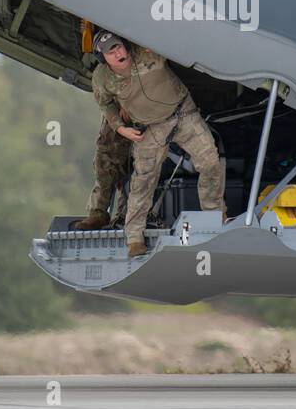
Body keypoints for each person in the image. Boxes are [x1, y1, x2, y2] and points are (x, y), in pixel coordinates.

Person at [90, 31, 224, 257]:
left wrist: (158, 42)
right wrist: (121, 128)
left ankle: (215, 214)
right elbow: (105, 105)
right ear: (103, 58)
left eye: (119, 46)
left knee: (210, 162)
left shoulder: (146, 51)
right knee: (143, 181)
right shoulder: (103, 78)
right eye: (111, 51)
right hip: (150, 128)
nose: (118, 52)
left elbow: (179, 42)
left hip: (183, 113)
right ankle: (134, 238)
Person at [73, 113, 131, 231]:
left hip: (154, 108)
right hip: (117, 109)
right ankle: (99, 213)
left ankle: (126, 214)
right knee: (106, 161)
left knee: (140, 165)